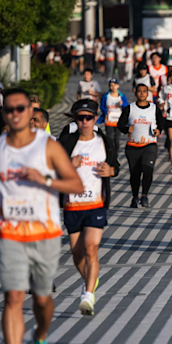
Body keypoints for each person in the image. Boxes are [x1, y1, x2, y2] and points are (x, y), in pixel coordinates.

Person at [0, 88, 83, 344]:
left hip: (45, 234)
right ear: (3, 113)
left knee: (43, 300)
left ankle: (41, 338)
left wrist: (45, 179)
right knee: (13, 297)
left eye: (20, 108)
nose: (15, 114)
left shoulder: (47, 146)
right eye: (8, 109)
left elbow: (74, 182)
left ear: (29, 111)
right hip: (10, 234)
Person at [58, 99, 120, 316]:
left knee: (91, 249)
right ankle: (91, 279)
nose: (84, 122)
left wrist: (111, 171)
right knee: (77, 255)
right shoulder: (66, 142)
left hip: (96, 204)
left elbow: (116, 166)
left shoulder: (105, 141)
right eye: (80, 118)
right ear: (75, 119)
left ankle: (88, 295)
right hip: (72, 205)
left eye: (89, 118)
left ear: (96, 119)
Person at [121, 84, 165, 208]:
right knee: (135, 174)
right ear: (136, 93)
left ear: (147, 94)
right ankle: (135, 197)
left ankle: (144, 196)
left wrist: (159, 130)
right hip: (132, 146)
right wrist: (126, 128)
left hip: (149, 145)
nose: (141, 93)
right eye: (139, 91)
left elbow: (161, 123)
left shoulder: (154, 108)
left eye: (144, 91)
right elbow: (120, 124)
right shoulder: (129, 108)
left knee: (148, 170)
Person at [99, 78, 128, 153]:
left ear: (118, 86)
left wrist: (123, 104)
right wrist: (106, 111)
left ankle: (115, 154)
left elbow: (127, 106)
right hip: (109, 120)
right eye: (111, 85)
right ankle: (109, 153)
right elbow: (102, 106)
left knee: (117, 139)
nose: (113, 87)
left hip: (119, 120)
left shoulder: (121, 96)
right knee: (110, 138)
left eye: (115, 85)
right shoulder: (106, 96)